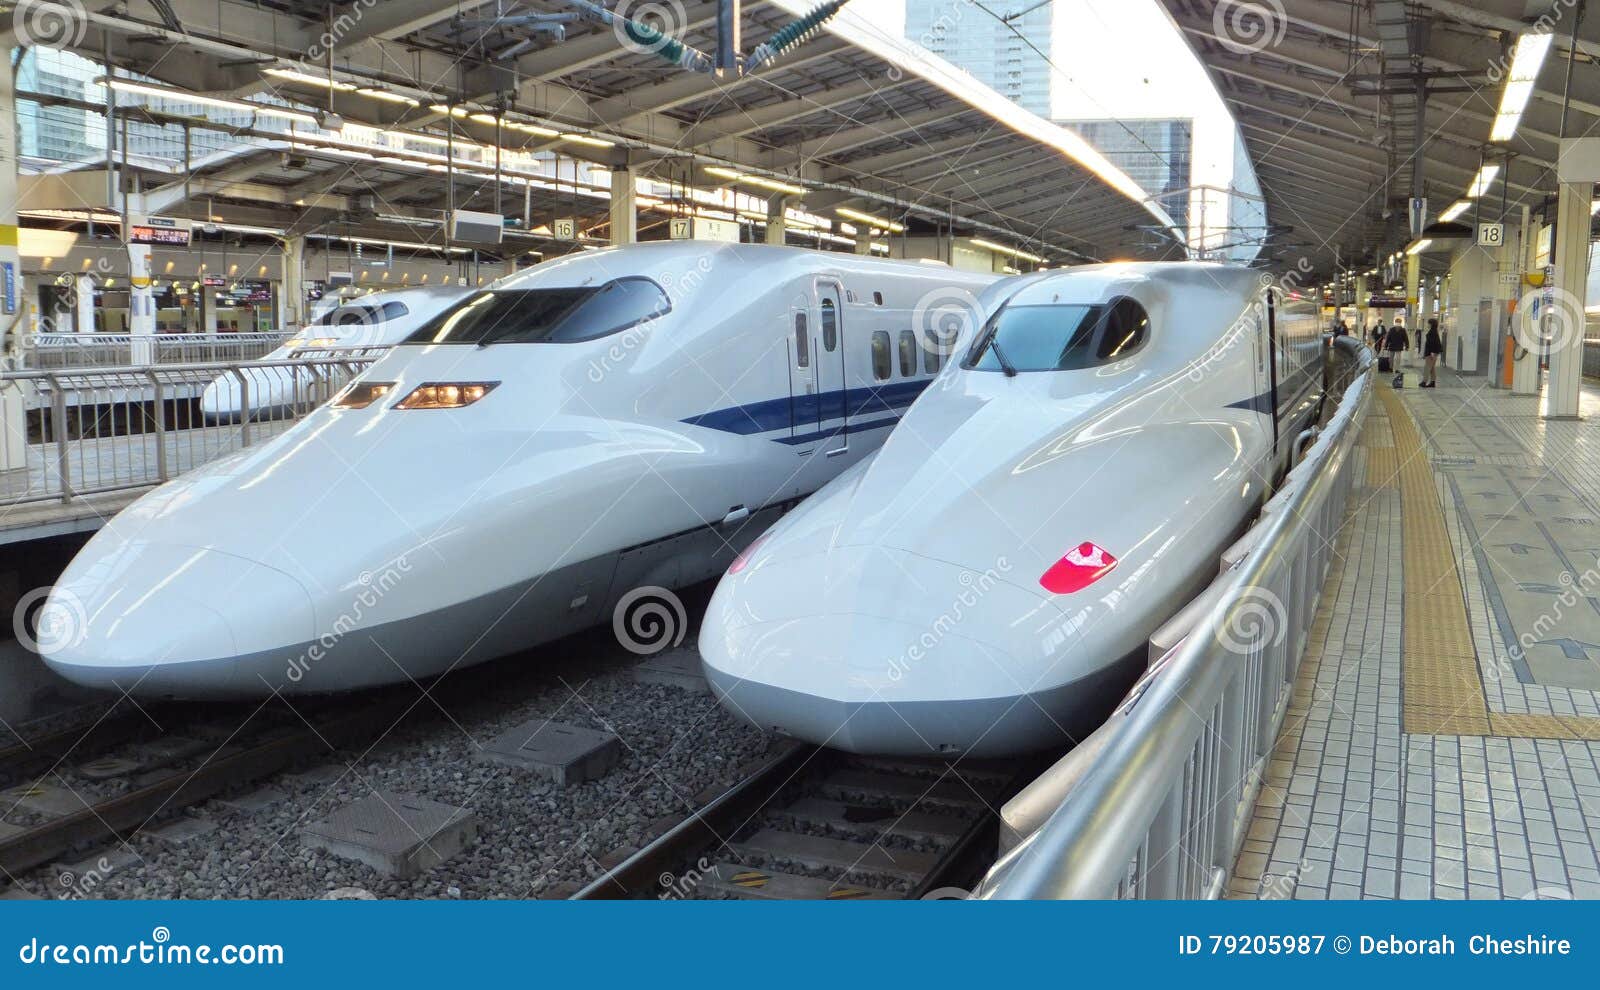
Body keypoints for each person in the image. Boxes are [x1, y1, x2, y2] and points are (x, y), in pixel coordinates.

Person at [1385, 319, 1410, 385]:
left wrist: (1407, 346)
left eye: (1399, 322)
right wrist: (1386, 345)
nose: (1398, 323)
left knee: (1398, 358)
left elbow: (1406, 338)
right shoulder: (1391, 329)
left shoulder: (1403, 330)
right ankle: (1390, 368)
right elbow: (1388, 338)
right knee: (1391, 358)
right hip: (1392, 345)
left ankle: (1397, 369)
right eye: (1397, 322)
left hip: (1399, 345)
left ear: (1400, 323)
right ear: (1395, 322)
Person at [1421, 318, 1443, 388]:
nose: (1427, 324)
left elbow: (1433, 343)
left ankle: (1424, 382)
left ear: (1431, 324)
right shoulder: (1433, 331)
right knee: (1431, 367)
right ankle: (1432, 382)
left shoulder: (1433, 332)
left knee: (1427, 367)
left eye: (1428, 323)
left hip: (1431, 352)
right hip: (1432, 352)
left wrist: (1431, 353)